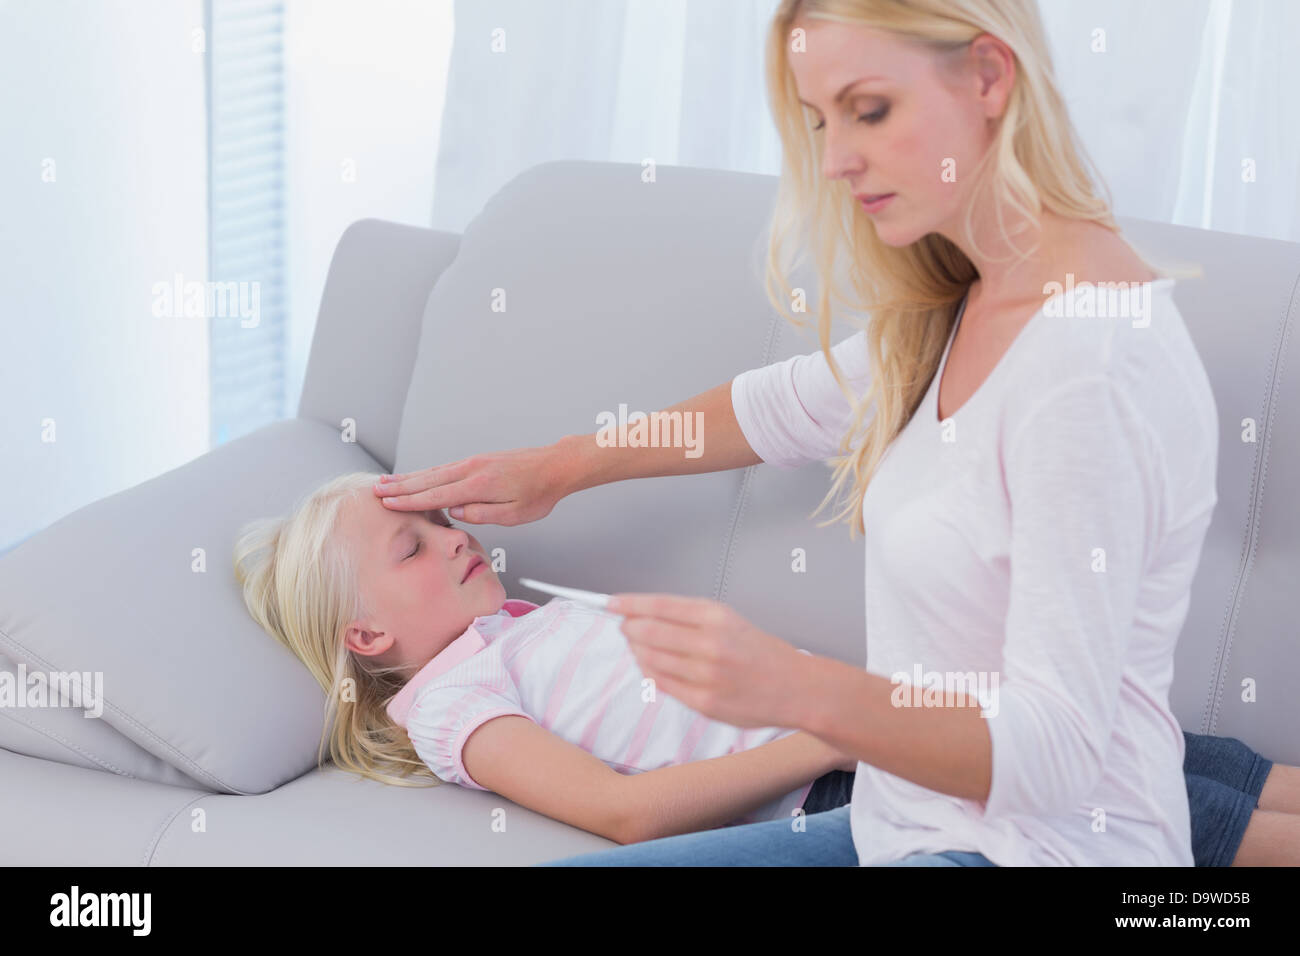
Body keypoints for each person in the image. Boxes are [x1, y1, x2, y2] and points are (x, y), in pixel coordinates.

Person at [374, 0, 1224, 866]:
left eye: (871, 109)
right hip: (902, 823)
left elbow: (1059, 750)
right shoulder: (965, 305)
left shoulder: (1088, 365)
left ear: (988, 76)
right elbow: (770, 410)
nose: (836, 162)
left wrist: (799, 693)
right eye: (819, 122)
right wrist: (563, 466)